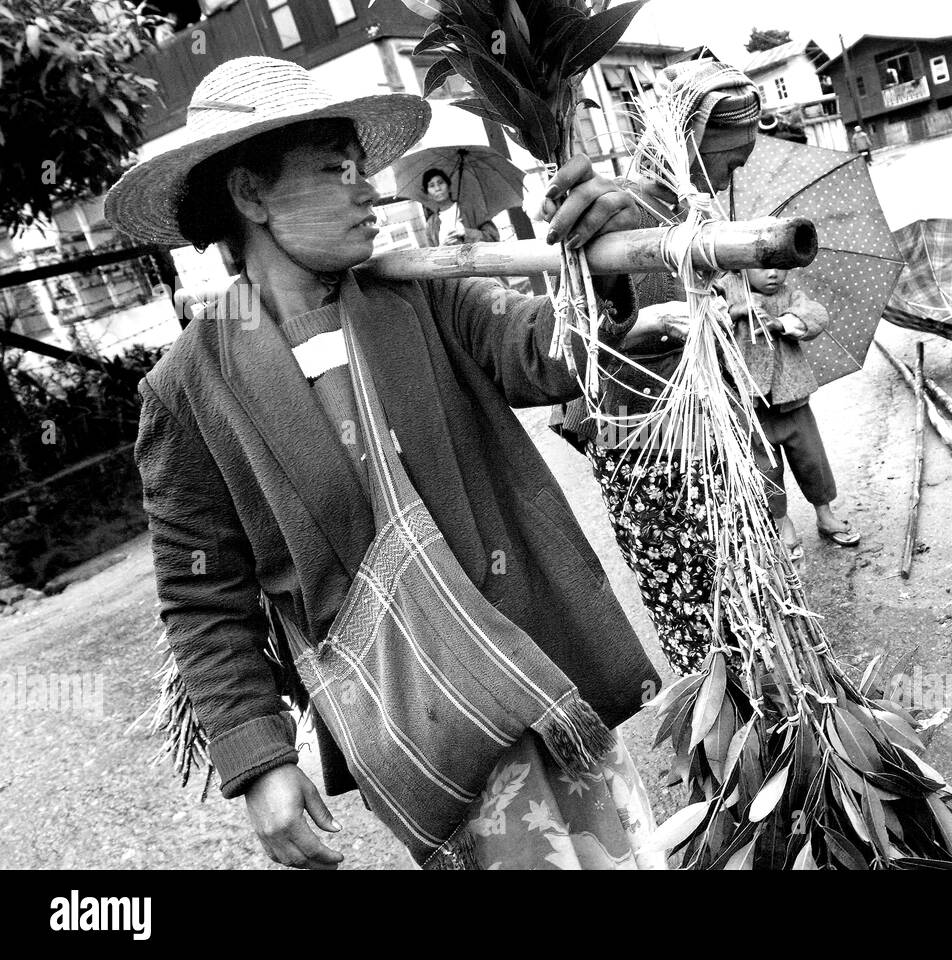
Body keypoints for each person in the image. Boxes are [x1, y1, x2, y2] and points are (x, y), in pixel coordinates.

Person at [106, 56, 663, 870]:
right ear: (251, 196)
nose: (370, 190)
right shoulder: (191, 387)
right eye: (337, 171)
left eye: (363, 168)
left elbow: (546, 353)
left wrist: (601, 274)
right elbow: (201, 595)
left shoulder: (422, 295)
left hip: (534, 668)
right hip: (422, 723)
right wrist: (257, 758)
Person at [550, 59, 760, 676]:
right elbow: (572, 340)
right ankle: (720, 731)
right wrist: (655, 320)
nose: (738, 168)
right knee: (690, 603)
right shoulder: (615, 213)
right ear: (690, 136)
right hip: (641, 437)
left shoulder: (698, 215)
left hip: (711, 425)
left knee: (744, 580)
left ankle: (772, 712)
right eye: (732, 154)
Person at [722, 266, 860, 564]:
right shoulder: (724, 288)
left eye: (780, 265)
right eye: (761, 266)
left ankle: (825, 514)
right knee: (765, 469)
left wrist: (781, 323)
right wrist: (736, 311)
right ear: (739, 265)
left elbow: (814, 315)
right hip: (751, 405)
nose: (773, 273)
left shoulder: (789, 295)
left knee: (812, 459)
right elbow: (706, 316)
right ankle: (783, 523)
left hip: (792, 398)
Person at [421, 167, 500, 246]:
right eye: (432, 186)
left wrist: (466, 232)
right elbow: (431, 255)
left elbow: (493, 237)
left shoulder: (472, 209)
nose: (437, 188)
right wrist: (442, 247)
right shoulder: (431, 225)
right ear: (428, 195)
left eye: (440, 183)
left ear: (449, 187)